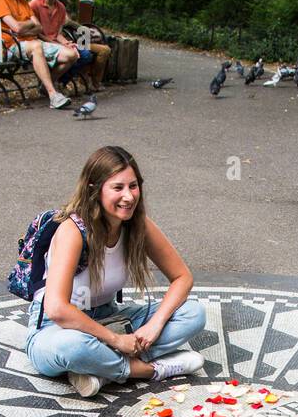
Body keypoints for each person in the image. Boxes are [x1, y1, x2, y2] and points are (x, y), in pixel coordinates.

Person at [25, 146, 208, 398]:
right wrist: (115, 340)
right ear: (94, 189)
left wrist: (154, 325)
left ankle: (99, 369)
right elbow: (56, 309)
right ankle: (147, 369)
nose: (129, 196)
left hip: (111, 318)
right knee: (73, 348)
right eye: (118, 188)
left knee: (193, 313)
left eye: (133, 186)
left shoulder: (138, 224)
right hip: (56, 329)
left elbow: (182, 277)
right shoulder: (72, 231)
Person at [0, 0, 73, 109]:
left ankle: (45, 85)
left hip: (29, 42)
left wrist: (23, 28)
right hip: (11, 46)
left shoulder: (21, 0)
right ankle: (53, 95)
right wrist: (26, 26)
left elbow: (38, 27)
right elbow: (15, 28)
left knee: (71, 55)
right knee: (36, 46)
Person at [31, 0, 110, 93]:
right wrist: (59, 43)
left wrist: (66, 43)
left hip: (63, 40)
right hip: (42, 43)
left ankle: (60, 82)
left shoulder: (61, 7)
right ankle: (51, 84)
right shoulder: (34, 4)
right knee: (79, 53)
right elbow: (35, 33)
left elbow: (58, 33)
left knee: (85, 54)